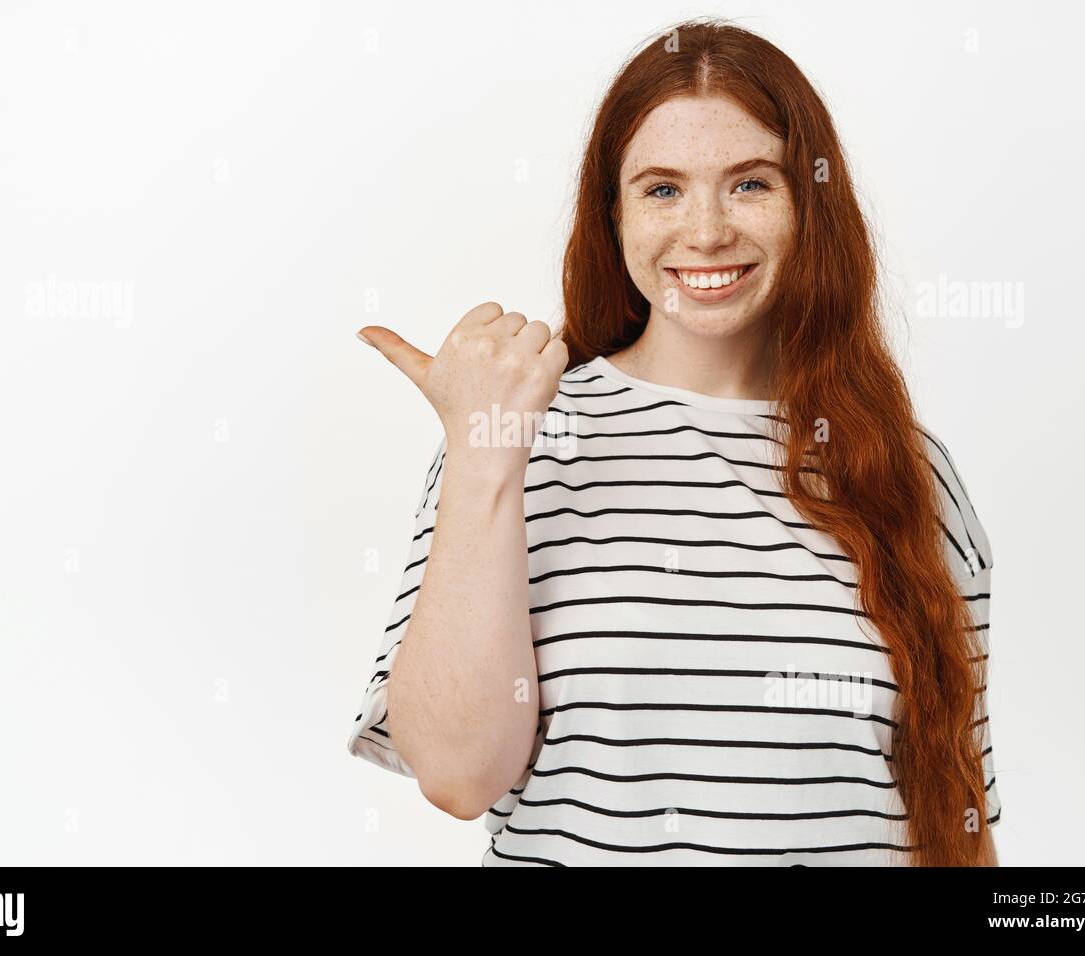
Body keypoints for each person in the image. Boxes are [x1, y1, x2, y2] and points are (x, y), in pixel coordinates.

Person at [347, 17, 1002, 867]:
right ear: (612, 213)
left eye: (750, 184)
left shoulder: (910, 471)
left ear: (810, 201)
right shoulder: (518, 439)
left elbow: (960, 815)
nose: (706, 232)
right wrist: (484, 458)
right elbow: (459, 776)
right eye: (662, 189)